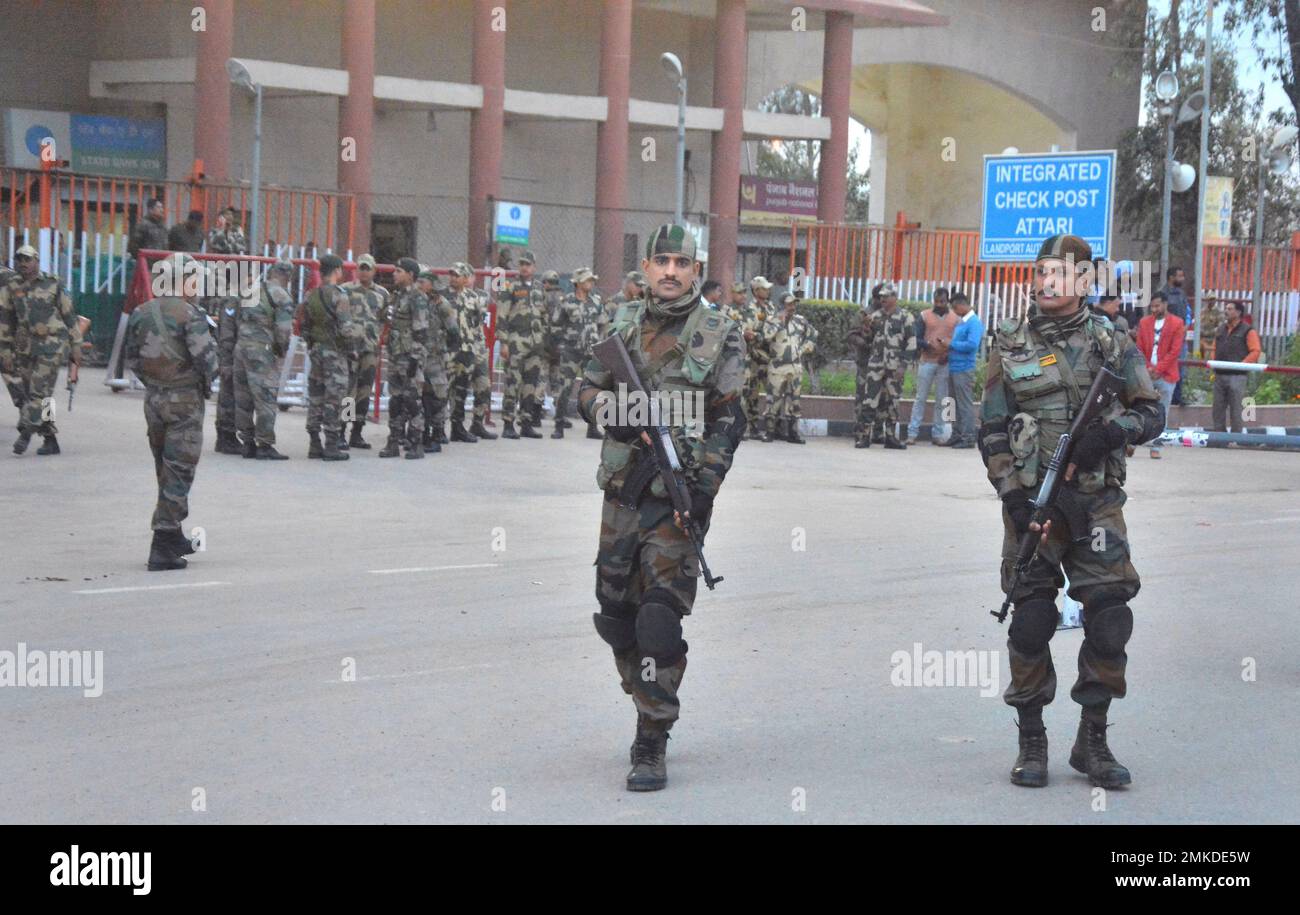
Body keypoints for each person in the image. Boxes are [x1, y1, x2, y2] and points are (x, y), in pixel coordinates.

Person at [979, 233, 1164, 790]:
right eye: (1040, 272)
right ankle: (1031, 741)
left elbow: (1152, 413)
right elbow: (989, 429)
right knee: (1032, 620)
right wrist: (1011, 495)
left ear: (1085, 280)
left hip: (1097, 504)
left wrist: (1112, 431)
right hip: (1034, 505)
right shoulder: (1009, 342)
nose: (1046, 282)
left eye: (1059, 273)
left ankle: (1093, 739)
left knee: (1109, 619)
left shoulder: (1113, 344)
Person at [577, 223, 745, 792]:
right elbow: (580, 389)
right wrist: (609, 411)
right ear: (645, 268)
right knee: (613, 613)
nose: (670, 271)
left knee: (657, 617)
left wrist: (704, 491)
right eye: (661, 261)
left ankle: (652, 731)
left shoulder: (719, 331)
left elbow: (729, 418)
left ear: (696, 270)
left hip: (679, 497)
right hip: (623, 490)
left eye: (681, 261)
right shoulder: (619, 323)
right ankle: (646, 684)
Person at [123, 253, 218, 571]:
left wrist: (157, 383)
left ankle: (174, 534)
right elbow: (207, 361)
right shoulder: (191, 314)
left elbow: (132, 359)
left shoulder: (141, 312)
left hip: (154, 401)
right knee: (178, 474)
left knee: (166, 470)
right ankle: (162, 546)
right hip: (184, 403)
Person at [0, 245, 82, 455]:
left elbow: (69, 316)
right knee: (38, 396)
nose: (23, 264)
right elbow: (6, 320)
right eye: (19, 260)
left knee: (38, 390)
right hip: (25, 347)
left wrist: (76, 345)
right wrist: (6, 352)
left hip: (52, 345)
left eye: (27, 259)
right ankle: (50, 438)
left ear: (37, 260)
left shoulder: (53, 283)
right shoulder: (11, 286)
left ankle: (26, 433)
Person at [300, 253, 363, 460]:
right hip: (336, 353)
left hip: (317, 351)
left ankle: (313, 442)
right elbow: (346, 328)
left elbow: (304, 327)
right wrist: (352, 349)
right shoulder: (339, 295)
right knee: (335, 398)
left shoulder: (311, 295)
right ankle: (332, 444)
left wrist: (312, 346)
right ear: (337, 270)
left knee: (316, 396)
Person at [233, 259, 295, 459]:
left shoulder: (250, 290)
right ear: (286, 276)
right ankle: (265, 445)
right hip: (263, 351)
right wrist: (281, 350)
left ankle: (247, 442)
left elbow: (237, 318)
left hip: (241, 348)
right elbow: (283, 330)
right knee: (266, 397)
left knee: (243, 398)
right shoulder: (281, 295)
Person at [847, 284, 914, 449]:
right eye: (881, 296)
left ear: (894, 298)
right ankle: (864, 436)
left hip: (894, 366)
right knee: (869, 401)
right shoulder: (874, 316)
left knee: (893, 402)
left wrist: (903, 366)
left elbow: (911, 343)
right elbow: (868, 341)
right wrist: (866, 330)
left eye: (887, 296)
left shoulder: (906, 317)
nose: (883, 299)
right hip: (876, 366)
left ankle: (890, 436)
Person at [380, 258, 430, 459]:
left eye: (399, 271)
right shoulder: (396, 296)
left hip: (409, 356)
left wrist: (415, 359)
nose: (394, 274)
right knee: (396, 399)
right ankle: (393, 441)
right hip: (395, 355)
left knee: (412, 400)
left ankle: (417, 442)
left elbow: (421, 331)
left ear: (410, 274)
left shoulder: (418, 298)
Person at [340, 254, 389, 450]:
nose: (364, 272)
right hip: (350, 348)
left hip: (370, 349)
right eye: (361, 268)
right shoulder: (345, 290)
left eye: (368, 268)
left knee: (364, 391)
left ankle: (357, 432)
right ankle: (341, 431)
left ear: (374, 270)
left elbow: (385, 318)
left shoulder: (382, 294)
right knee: (348, 392)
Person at [497, 251, 548, 439]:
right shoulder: (510, 287)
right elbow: (501, 316)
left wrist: (544, 339)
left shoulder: (539, 288)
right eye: (522, 264)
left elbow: (544, 315)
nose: (524, 267)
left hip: (535, 343)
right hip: (516, 341)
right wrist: (503, 342)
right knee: (513, 382)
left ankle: (526, 422)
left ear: (534, 266)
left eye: (528, 264)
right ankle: (508, 423)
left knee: (531, 384)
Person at [448, 262, 496, 442]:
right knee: (449, 391)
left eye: (460, 275)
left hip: (475, 349)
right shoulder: (444, 297)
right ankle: (353, 427)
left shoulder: (478, 297)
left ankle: (477, 422)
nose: (455, 278)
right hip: (451, 352)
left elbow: (477, 323)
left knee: (483, 386)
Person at [760, 292, 817, 444]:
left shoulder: (800, 321)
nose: (792, 307)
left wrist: (804, 348)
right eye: (789, 304)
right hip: (777, 367)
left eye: (793, 304)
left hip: (795, 367)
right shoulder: (772, 320)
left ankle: (793, 433)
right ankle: (770, 431)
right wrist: (779, 322)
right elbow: (765, 336)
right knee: (773, 400)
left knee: (795, 401)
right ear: (782, 305)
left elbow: (813, 334)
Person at [416, 268, 461, 455]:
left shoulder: (442, 304)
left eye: (423, 281)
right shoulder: (418, 301)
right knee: (422, 397)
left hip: (435, 358)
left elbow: (454, 332)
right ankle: (422, 433)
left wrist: (445, 352)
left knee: (437, 396)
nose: (419, 285)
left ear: (431, 284)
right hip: (420, 356)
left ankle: (437, 434)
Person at [1135, 291, 1185, 458]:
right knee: (1138, 409)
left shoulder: (1177, 323)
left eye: (1157, 306)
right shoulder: (1144, 322)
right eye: (1152, 306)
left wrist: (1158, 370)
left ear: (1165, 304)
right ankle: (1132, 443)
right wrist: (1148, 368)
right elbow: (1139, 348)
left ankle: (1156, 447)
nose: (1154, 309)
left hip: (1166, 375)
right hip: (1145, 374)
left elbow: (1175, 351)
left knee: (1162, 412)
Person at [908, 287, 957, 445]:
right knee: (920, 398)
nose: (939, 304)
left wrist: (947, 354)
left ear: (947, 301)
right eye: (936, 301)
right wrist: (928, 345)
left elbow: (957, 341)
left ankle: (938, 434)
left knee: (942, 400)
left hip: (945, 363)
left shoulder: (955, 318)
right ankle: (912, 433)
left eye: (942, 301)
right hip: (927, 361)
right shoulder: (924, 316)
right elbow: (916, 338)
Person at [725, 277, 772, 439]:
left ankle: (753, 428)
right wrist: (742, 335)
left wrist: (754, 336)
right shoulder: (726, 311)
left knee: (752, 394)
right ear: (732, 294)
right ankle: (739, 428)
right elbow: (723, 333)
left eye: (744, 293)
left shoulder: (750, 312)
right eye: (739, 293)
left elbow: (761, 332)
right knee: (739, 395)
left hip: (752, 359)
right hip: (733, 359)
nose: (742, 296)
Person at [1212, 301, 1261, 434]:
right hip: (1220, 374)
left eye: (1229, 309)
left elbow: (1255, 351)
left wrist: (1242, 365)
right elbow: (1215, 347)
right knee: (1217, 408)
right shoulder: (1221, 329)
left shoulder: (1248, 330)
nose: (1226, 311)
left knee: (1236, 408)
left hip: (1237, 376)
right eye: (1226, 308)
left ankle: (1236, 437)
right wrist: (1213, 362)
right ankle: (1219, 438)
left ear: (1238, 312)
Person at [945, 291, 983, 449]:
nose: (953, 311)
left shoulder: (973, 322)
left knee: (964, 404)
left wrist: (951, 344)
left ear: (961, 305)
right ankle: (956, 433)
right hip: (954, 366)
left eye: (954, 308)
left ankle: (968, 437)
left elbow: (972, 345)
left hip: (964, 367)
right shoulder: (962, 322)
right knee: (952, 403)